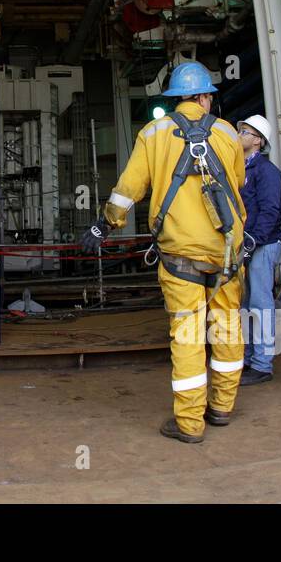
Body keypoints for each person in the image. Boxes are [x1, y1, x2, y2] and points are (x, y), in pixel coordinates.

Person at [80, 61, 246, 443]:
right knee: (227, 328)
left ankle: (189, 423)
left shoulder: (154, 133)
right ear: (205, 97)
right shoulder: (227, 132)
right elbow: (237, 184)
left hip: (180, 255)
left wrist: (105, 223)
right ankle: (221, 406)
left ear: (174, 99)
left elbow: (128, 187)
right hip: (226, 254)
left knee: (188, 334)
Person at [236, 115, 281, 386]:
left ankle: (263, 365)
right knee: (246, 303)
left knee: (260, 303)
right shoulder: (242, 169)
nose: (239, 134)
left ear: (257, 140)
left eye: (245, 131)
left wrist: (253, 240)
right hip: (248, 244)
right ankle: (249, 359)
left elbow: (270, 210)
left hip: (263, 244)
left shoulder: (266, 171)